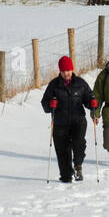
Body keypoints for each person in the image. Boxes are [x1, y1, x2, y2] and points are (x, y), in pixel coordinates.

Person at [41, 55, 96, 183]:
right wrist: (50, 104)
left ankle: (78, 166)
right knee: (62, 153)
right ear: (60, 71)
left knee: (78, 143)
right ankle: (66, 176)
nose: (66, 73)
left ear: (72, 69)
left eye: (68, 70)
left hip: (78, 121)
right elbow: (44, 104)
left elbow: (89, 97)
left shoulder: (80, 83)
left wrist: (92, 103)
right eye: (63, 71)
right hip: (60, 123)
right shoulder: (54, 85)